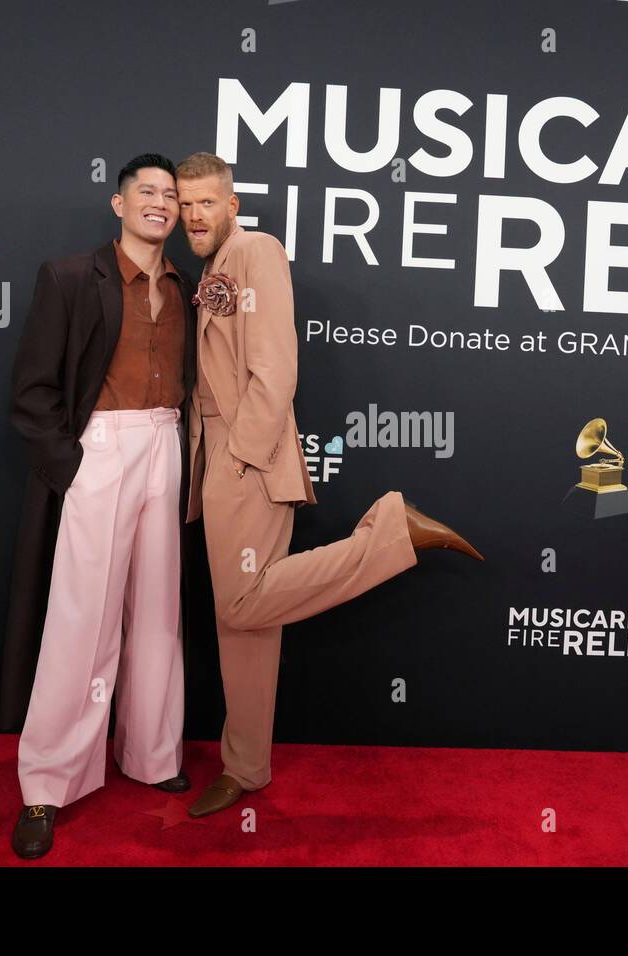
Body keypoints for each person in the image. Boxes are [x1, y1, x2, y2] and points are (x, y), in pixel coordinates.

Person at [175, 151, 484, 818]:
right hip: (221, 455)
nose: (195, 214)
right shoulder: (213, 264)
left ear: (232, 205)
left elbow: (275, 368)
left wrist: (240, 460)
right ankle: (246, 766)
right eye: (186, 202)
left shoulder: (255, 250)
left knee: (240, 606)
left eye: (207, 202)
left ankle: (393, 535)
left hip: (245, 456)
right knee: (247, 626)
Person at [1, 154, 198, 859]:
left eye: (171, 195)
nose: (160, 203)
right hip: (102, 450)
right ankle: (47, 784)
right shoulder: (68, 276)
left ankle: (150, 752)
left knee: (157, 609)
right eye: (146, 192)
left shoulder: (186, 287)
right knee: (82, 615)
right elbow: (33, 391)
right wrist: (74, 467)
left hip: (164, 444)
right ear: (118, 204)